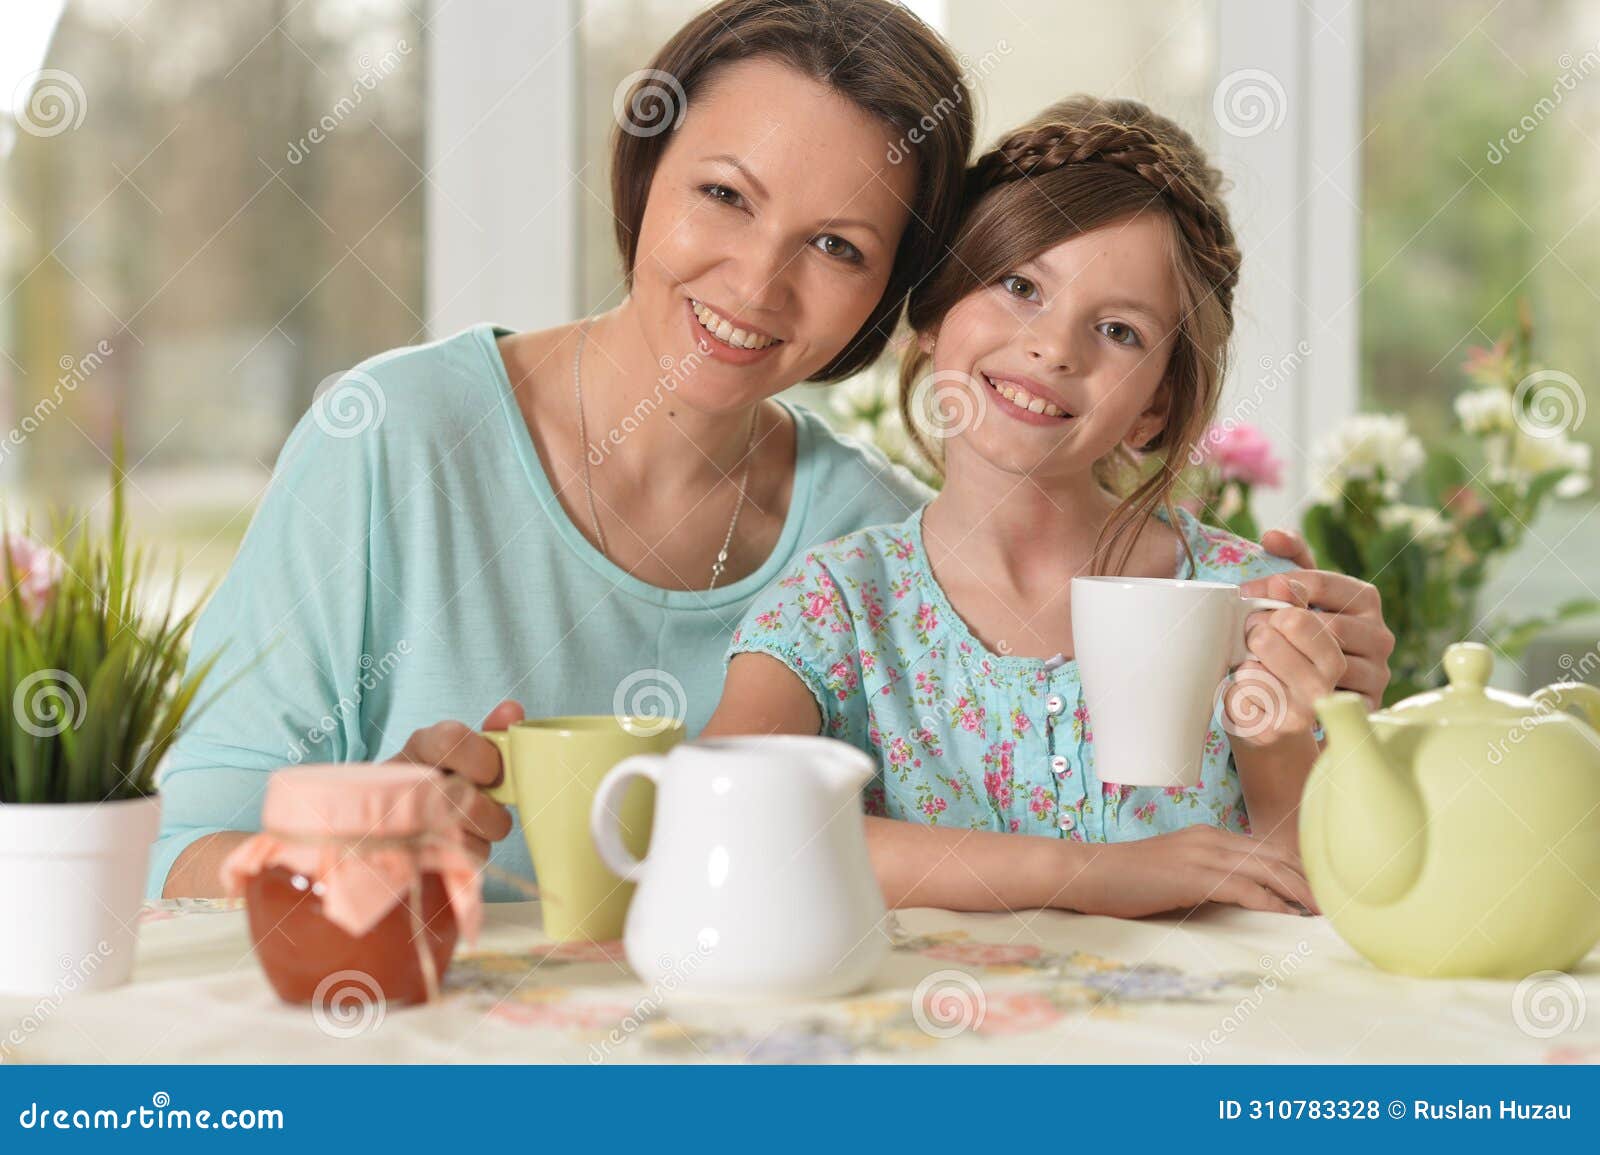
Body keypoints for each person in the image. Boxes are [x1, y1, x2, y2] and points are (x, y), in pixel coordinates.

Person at [151, 3, 1393, 903]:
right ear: (646, 174)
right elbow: (172, 847)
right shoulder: (399, 447)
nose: (756, 279)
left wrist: (1314, 708)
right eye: (725, 196)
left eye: (838, 246)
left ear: (893, 301)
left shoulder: (866, 536)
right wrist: (342, 841)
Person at [702, 96, 1351, 919]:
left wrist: (1281, 735)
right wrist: (1095, 872)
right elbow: (732, 819)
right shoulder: (840, 606)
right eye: (1018, 285)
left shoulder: (1245, 602)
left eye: (1118, 331)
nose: (1054, 348)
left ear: (1156, 407)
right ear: (934, 313)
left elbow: (1311, 899)